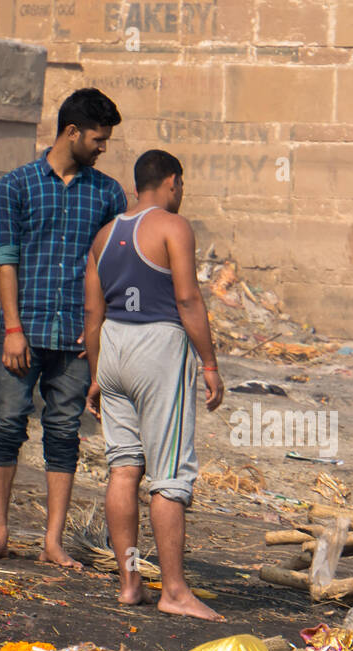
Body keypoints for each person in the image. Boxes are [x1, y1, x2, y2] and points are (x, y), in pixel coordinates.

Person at [0, 88, 127, 565]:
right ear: (72, 132)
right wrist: (12, 328)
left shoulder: (108, 193)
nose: (103, 148)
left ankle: (52, 542)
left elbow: (113, 268)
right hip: (23, 332)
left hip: (78, 339)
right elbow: (6, 259)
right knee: (6, 426)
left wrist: (99, 331)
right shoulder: (15, 186)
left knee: (63, 433)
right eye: (99, 139)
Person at [83, 149, 225, 620]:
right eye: (180, 187)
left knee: (124, 469)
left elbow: (92, 313)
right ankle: (175, 591)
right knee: (168, 475)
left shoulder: (104, 237)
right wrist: (209, 363)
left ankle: (129, 581)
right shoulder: (172, 226)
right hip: (157, 347)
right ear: (172, 182)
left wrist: (96, 376)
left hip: (114, 348)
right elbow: (187, 298)